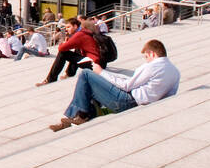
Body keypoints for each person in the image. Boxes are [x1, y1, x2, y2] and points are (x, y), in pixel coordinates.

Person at [50, 39, 180, 131]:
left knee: (86, 74)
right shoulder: (175, 72)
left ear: (152, 53)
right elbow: (170, 95)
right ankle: (77, 116)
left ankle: (79, 115)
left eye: (146, 56)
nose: (146, 60)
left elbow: (127, 86)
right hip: (138, 101)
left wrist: (101, 72)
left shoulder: (152, 66)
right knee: (92, 86)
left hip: (127, 101)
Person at [37, 18, 100, 86]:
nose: (66, 29)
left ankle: (50, 79)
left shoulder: (79, 35)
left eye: (69, 27)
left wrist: (64, 42)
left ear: (75, 26)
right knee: (76, 50)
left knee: (63, 53)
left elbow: (61, 48)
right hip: (96, 61)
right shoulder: (84, 32)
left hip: (93, 64)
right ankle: (69, 73)